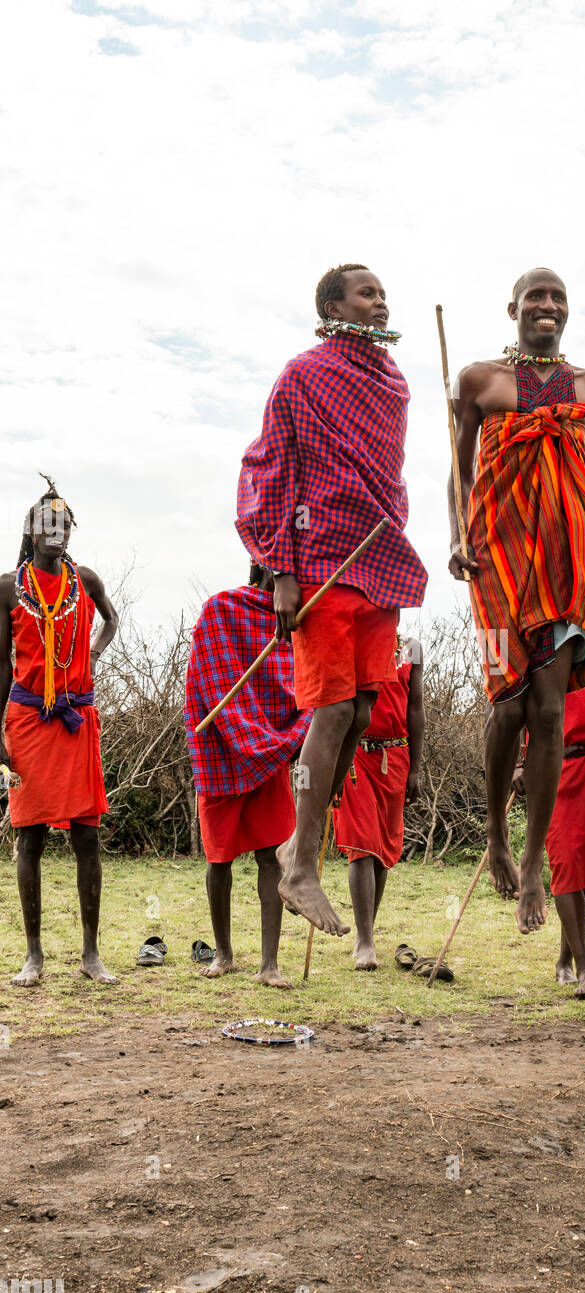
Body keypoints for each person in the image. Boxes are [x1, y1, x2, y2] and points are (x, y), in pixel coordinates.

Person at [236, 264, 427, 941]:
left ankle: (297, 852)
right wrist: (278, 566)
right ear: (331, 306)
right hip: (321, 561)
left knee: (369, 706)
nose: (380, 301)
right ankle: (301, 863)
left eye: (383, 293)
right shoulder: (302, 374)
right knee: (335, 705)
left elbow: (388, 469)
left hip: (378, 556)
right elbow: (269, 464)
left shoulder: (392, 379)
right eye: (366, 293)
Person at [449, 267, 585, 934]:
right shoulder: (478, 380)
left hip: (566, 562)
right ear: (513, 309)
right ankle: (495, 830)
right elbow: (457, 468)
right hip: (496, 557)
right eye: (535, 298)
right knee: (507, 700)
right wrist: (456, 536)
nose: (546, 307)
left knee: (550, 707)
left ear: (567, 311)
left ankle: (531, 864)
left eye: (556, 298)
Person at [0, 479, 119, 986]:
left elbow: (110, 620)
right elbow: (0, 669)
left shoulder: (85, 581)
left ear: (71, 531)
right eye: (46, 522)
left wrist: (91, 654)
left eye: (64, 523)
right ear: (30, 529)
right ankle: (34, 955)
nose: (56, 530)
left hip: (77, 722)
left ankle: (91, 955)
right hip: (27, 724)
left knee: (87, 837)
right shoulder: (8, 588)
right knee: (29, 838)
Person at [184, 564, 313, 986]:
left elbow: (301, 682)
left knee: (270, 855)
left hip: (268, 755)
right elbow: (205, 678)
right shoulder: (221, 610)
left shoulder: (295, 622)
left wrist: (280, 731)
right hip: (221, 750)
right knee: (218, 857)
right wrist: (237, 723)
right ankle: (223, 954)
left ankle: (269, 965)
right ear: (264, 570)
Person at [332, 638, 424, 970]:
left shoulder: (412, 649)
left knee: (383, 849)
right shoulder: (354, 641)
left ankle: (367, 930)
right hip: (355, 753)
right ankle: (364, 941)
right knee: (362, 843)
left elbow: (415, 708)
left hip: (395, 755)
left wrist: (415, 766)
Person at [513, 682, 585, 997]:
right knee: (565, 862)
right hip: (552, 767)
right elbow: (511, 707)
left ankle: (565, 960)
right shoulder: (540, 655)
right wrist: (516, 763)